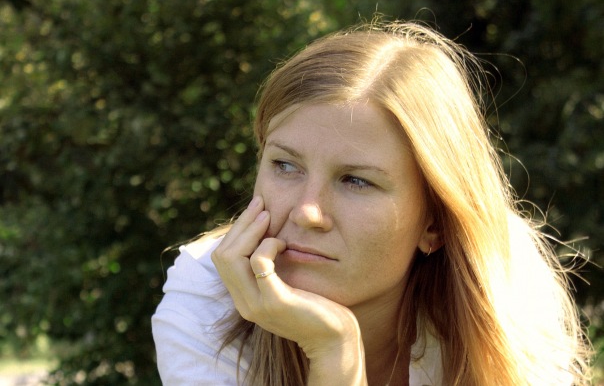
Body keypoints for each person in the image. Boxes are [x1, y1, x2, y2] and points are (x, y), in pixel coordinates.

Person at [152, 20, 591, 385]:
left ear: (434, 225)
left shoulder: (504, 287)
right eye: (285, 165)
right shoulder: (207, 301)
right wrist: (333, 348)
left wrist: (335, 352)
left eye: (356, 181)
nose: (307, 212)